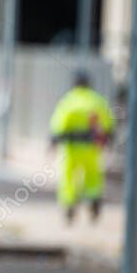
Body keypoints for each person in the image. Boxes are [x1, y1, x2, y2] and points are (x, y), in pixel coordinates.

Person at [49, 71, 115, 223]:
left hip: (71, 148)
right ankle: (93, 200)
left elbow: (58, 123)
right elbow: (108, 123)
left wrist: (53, 141)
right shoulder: (97, 101)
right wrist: (108, 137)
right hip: (91, 148)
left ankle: (69, 205)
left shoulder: (68, 100)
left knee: (69, 177)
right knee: (93, 175)